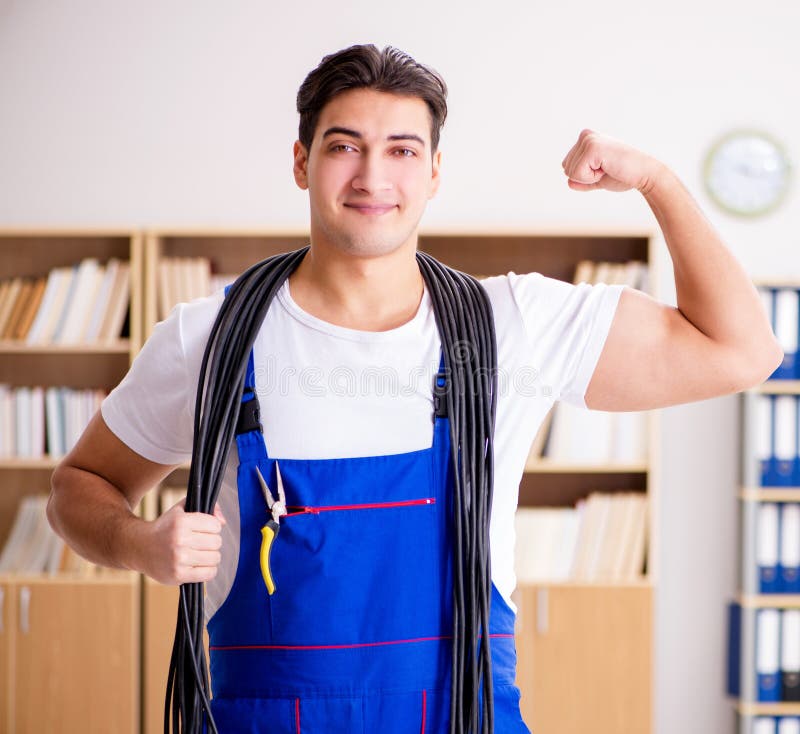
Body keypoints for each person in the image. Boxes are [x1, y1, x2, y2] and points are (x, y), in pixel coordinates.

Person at [47, 43, 782, 733]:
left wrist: (657, 181)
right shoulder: (209, 339)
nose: (372, 177)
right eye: (344, 147)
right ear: (302, 163)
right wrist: (141, 544)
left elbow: (741, 351)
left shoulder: (514, 325)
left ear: (433, 172)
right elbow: (77, 488)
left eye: (401, 150)